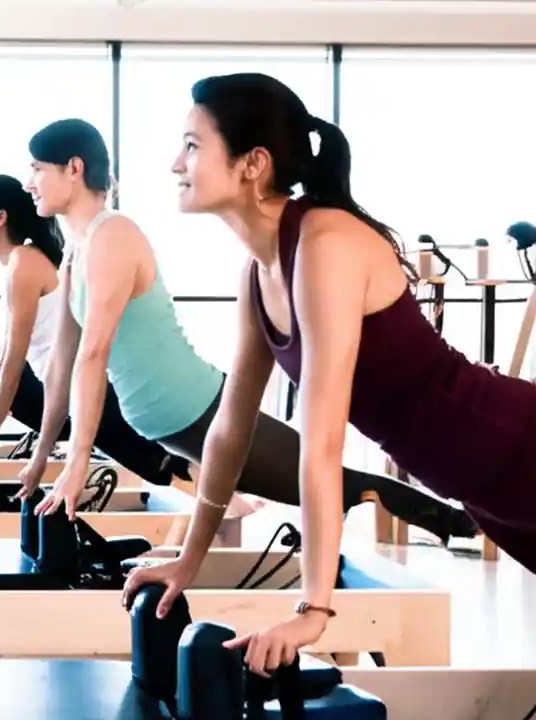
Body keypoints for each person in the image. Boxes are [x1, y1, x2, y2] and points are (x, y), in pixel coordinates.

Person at [121, 72, 536, 678]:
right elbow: (229, 430)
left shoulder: (325, 243)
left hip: (517, 446)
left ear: (251, 164)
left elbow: (321, 443)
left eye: (191, 144)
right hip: (482, 486)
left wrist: (315, 609)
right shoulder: (257, 275)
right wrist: (189, 560)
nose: (174, 162)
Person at [14, 118, 475, 541]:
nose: (29, 182)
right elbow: (63, 365)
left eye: (37, 168)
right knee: (294, 485)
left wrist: (76, 465)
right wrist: (41, 462)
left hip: (198, 408)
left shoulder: (112, 236)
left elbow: (94, 355)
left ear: (73, 168)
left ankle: (467, 524)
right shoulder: (77, 248)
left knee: (335, 480)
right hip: (169, 420)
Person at [0, 174, 191, 489]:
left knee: (166, 469)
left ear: (0, 217)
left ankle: (233, 514)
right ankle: (223, 512)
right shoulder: (24, 261)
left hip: (98, 393)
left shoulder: (24, 264)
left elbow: (12, 363)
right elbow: (9, 360)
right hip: (74, 391)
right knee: (164, 468)